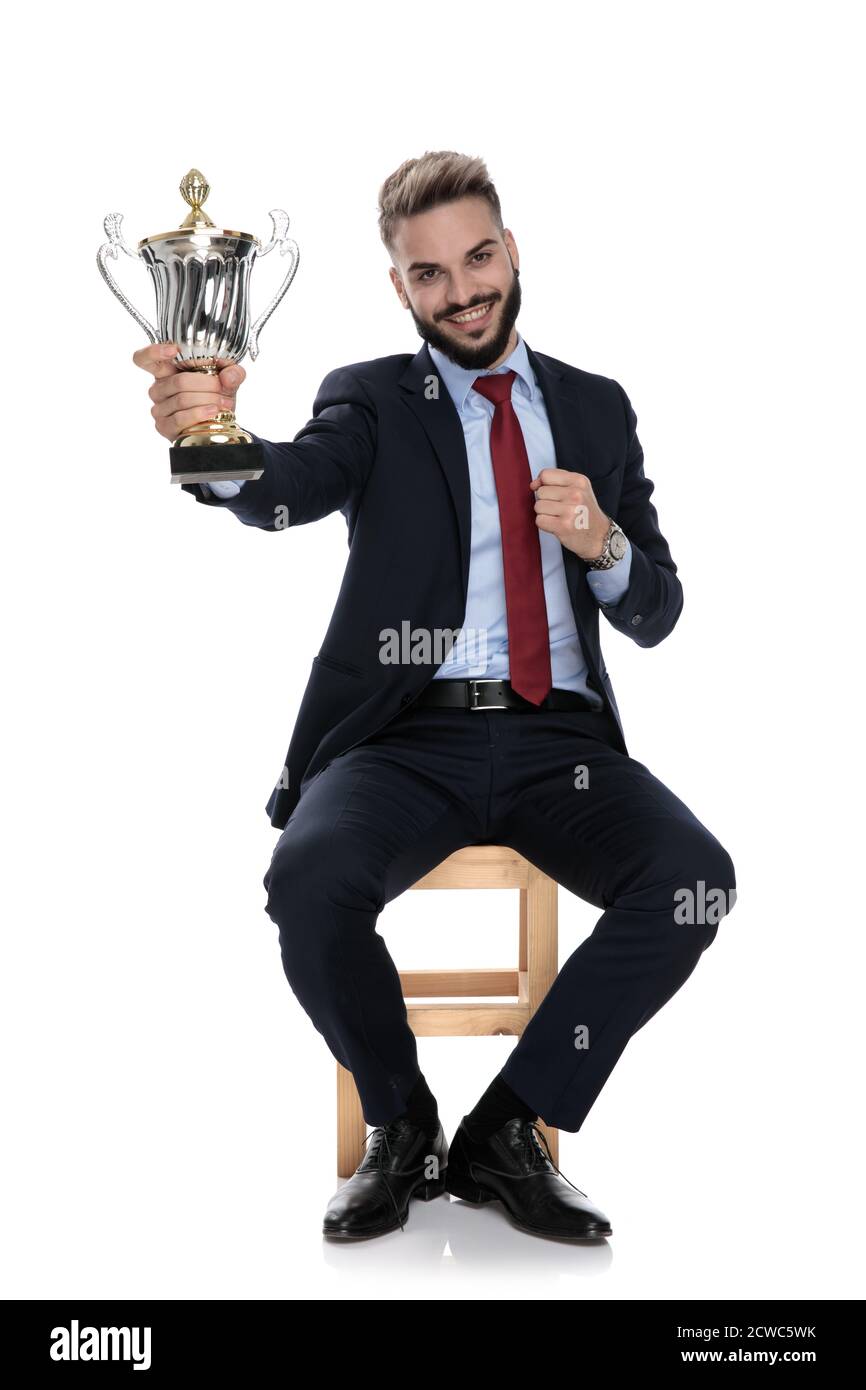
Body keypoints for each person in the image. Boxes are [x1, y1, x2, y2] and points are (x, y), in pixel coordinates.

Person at [134, 150, 736, 1244]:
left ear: (511, 251)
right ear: (399, 289)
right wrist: (209, 445)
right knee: (308, 880)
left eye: (477, 258)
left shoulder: (594, 409)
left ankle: (506, 1130)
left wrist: (599, 542)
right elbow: (287, 484)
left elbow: (656, 610)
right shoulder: (370, 400)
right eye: (429, 275)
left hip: (562, 745)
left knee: (695, 882)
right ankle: (402, 1125)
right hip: (402, 743)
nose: (460, 291)